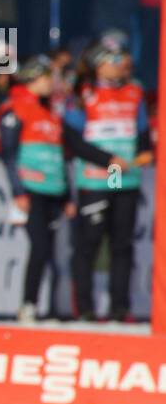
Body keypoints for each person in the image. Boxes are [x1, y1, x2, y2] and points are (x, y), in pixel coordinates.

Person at [0, 55, 125, 323]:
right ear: (33, 79)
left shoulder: (53, 114)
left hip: (55, 191)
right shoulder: (16, 108)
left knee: (54, 252)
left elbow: (69, 150)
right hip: (32, 190)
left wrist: (106, 162)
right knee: (40, 248)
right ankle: (29, 304)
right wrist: (18, 191)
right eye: (47, 78)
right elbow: (8, 154)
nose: (51, 83)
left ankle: (53, 306)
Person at [64, 35, 154, 322]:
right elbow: (72, 140)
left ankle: (120, 307)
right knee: (90, 241)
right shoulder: (84, 93)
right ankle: (86, 308)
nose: (120, 64)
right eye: (113, 58)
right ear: (97, 64)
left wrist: (145, 152)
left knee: (122, 242)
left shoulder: (133, 92)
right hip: (98, 176)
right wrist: (108, 160)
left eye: (122, 57)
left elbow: (142, 134)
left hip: (123, 178)